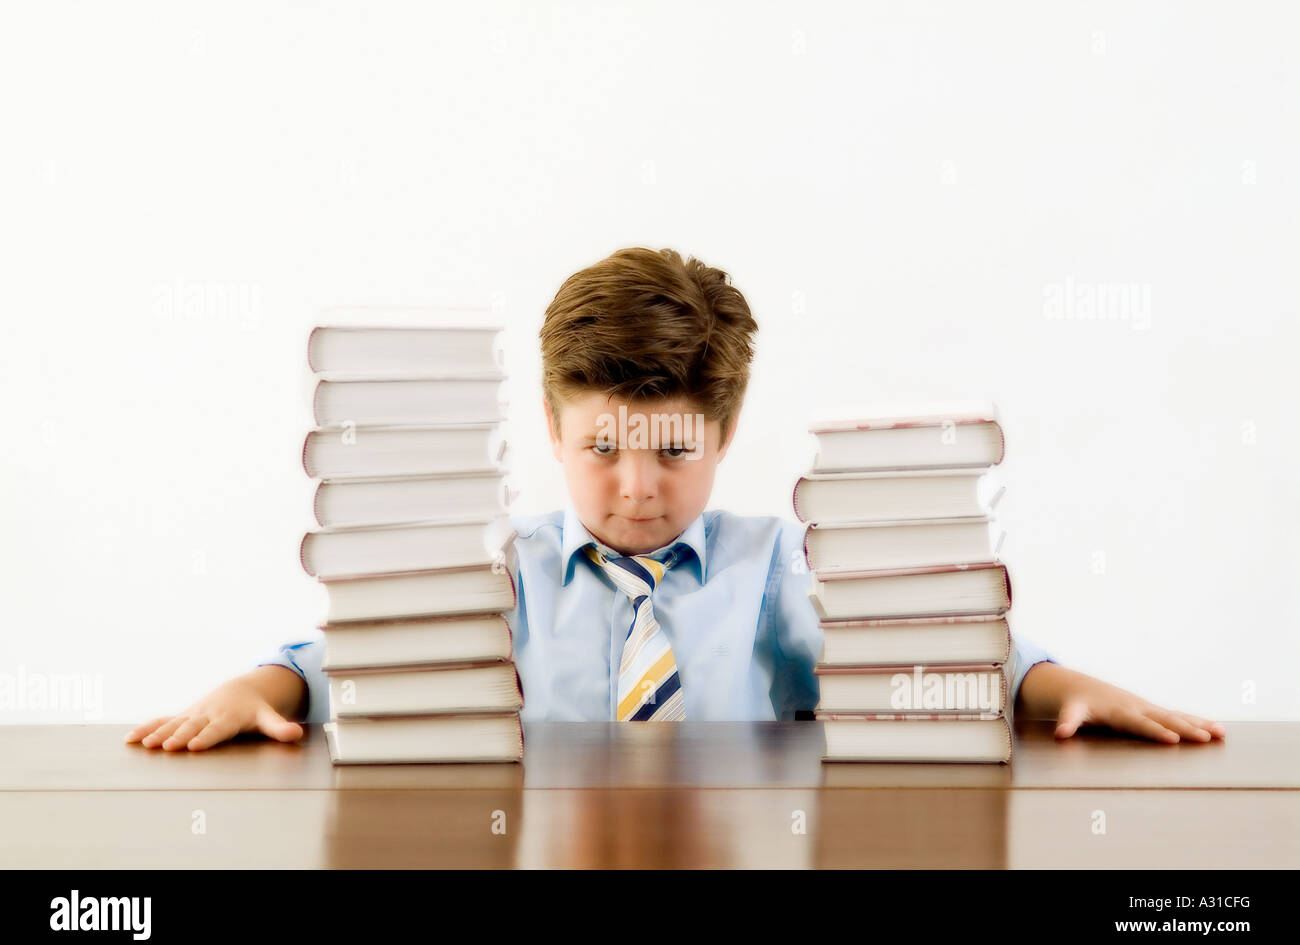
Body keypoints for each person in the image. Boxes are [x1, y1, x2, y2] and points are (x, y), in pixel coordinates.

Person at [127, 247, 1226, 750]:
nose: (638, 487)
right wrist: (252, 685)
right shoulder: (495, 571)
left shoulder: (774, 570)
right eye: (602, 447)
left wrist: (1055, 686)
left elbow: (914, 644)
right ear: (550, 430)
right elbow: (349, 658)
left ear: (725, 435)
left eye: (674, 450)